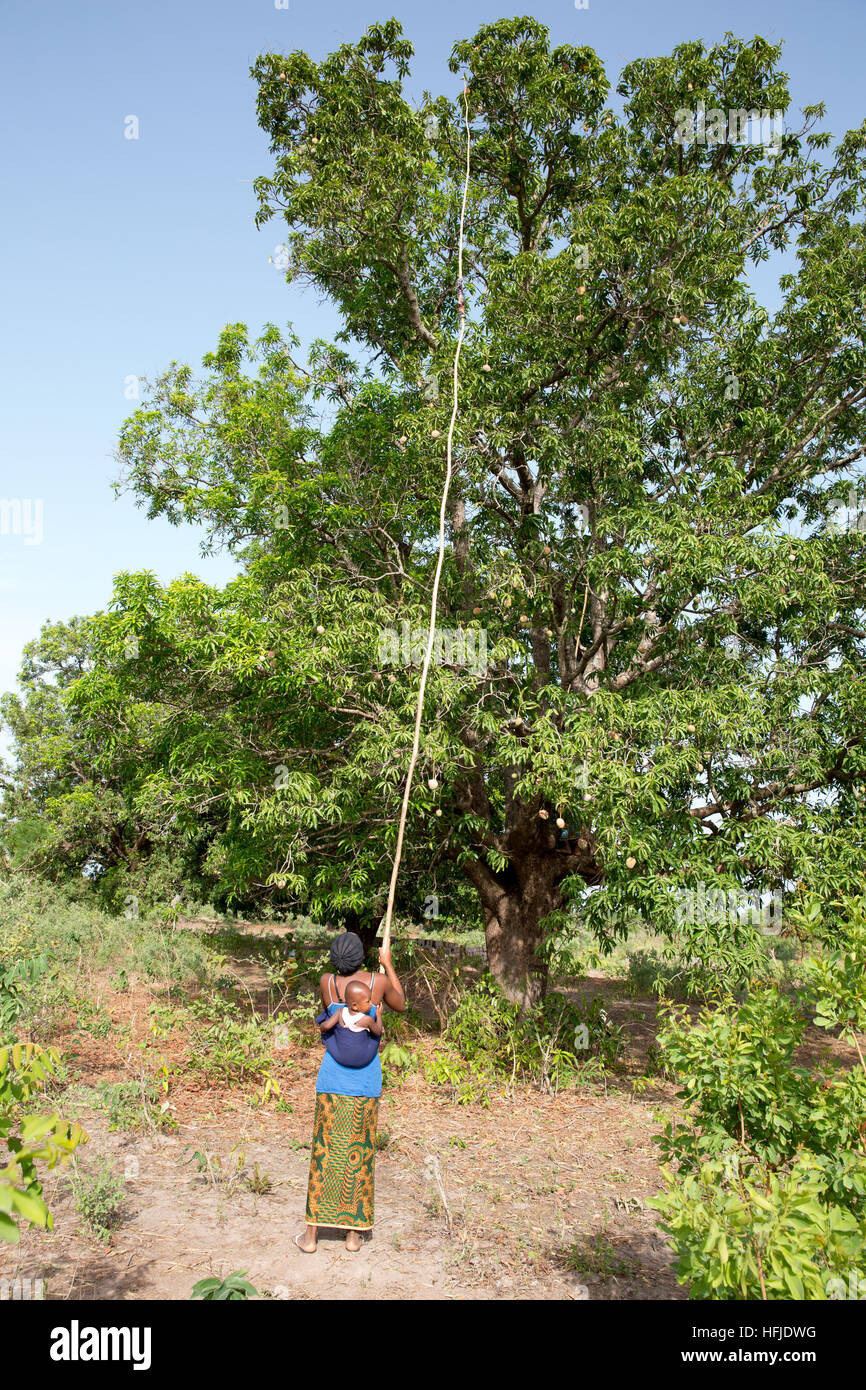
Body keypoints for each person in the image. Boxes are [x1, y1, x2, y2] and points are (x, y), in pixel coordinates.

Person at [295, 930, 405, 1254]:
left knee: (324, 1153)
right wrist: (387, 963)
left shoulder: (327, 982)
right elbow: (400, 1003)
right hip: (365, 1080)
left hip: (332, 1077)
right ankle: (353, 1236)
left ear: (335, 958)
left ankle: (312, 1237)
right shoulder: (376, 983)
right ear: (362, 956)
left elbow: (333, 1016)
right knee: (359, 1153)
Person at [315, 977, 383, 1068]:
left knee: (332, 1030)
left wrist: (322, 1029)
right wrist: (378, 1016)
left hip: (340, 1057)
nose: (371, 1003)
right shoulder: (367, 1020)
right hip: (360, 1060)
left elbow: (326, 1026)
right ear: (354, 1006)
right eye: (368, 1001)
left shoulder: (340, 1012)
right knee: (377, 1034)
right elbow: (377, 1032)